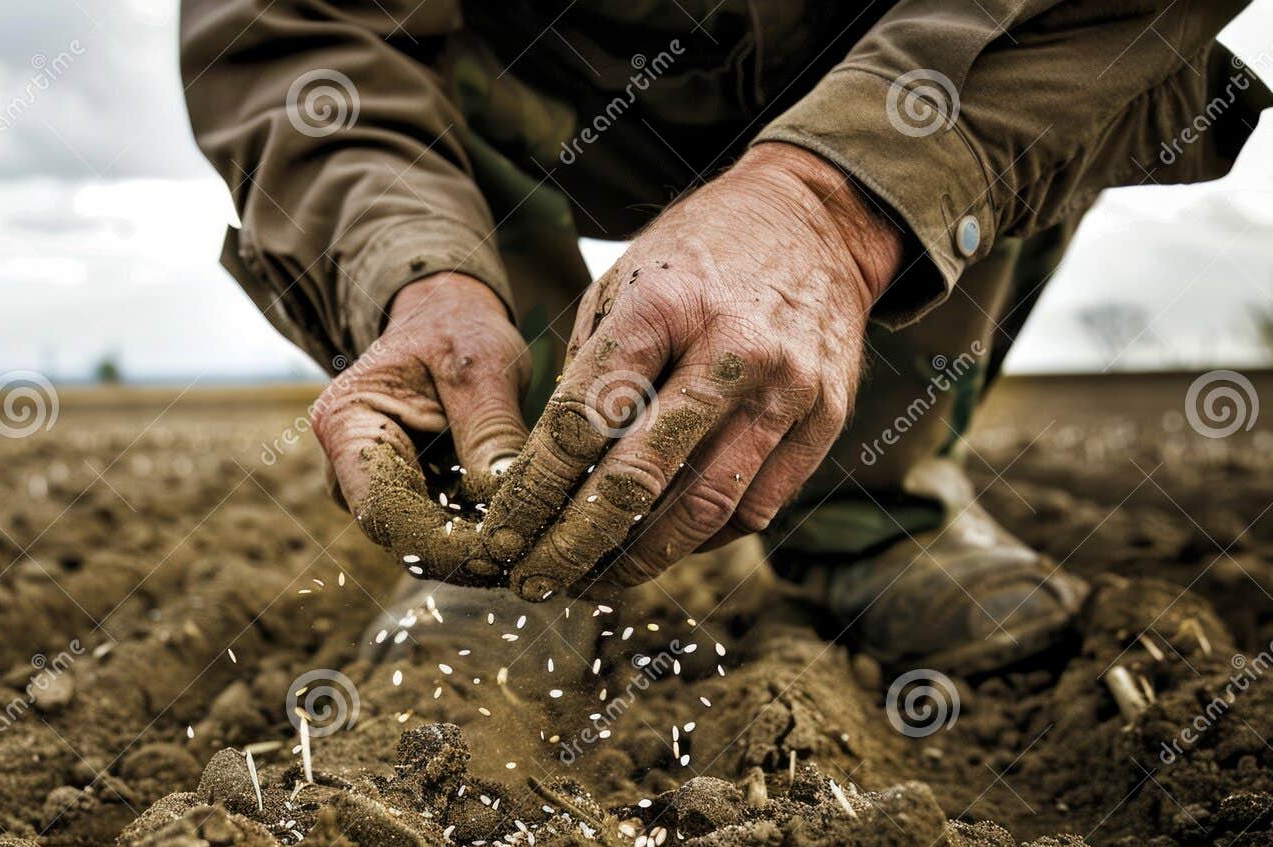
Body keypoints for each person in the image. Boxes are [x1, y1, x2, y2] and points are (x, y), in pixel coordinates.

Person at [180, 0, 1269, 674]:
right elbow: (292, 27)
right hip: (552, 68)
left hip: (914, 57)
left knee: (1077, 53)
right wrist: (414, 273)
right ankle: (500, 528)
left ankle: (869, 511)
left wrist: (827, 207)